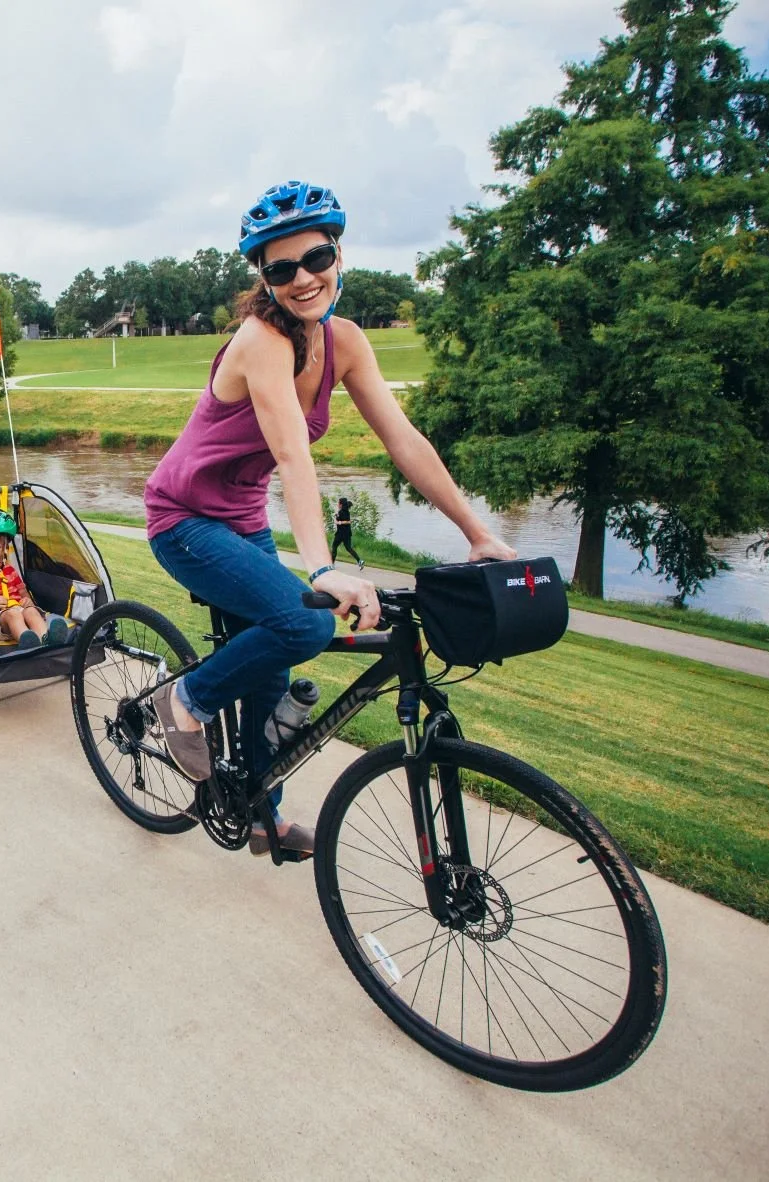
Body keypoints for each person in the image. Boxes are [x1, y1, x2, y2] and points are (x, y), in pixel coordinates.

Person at [141, 181, 515, 855]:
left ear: (337, 254)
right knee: (304, 621)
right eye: (280, 269)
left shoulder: (344, 341)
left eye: (314, 259)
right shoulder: (260, 341)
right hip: (183, 518)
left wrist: (477, 532)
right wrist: (320, 567)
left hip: (240, 515)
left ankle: (261, 817)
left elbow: (403, 441)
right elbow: (291, 455)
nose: (302, 279)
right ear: (263, 278)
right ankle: (185, 703)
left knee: (270, 671)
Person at [0, 507, 70, 650]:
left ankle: (45, 638)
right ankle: (27, 641)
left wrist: (27, 601)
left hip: (18, 609)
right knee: (13, 614)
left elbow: (23, 592)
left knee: (31, 611)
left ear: (4, 549)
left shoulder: (8, 570)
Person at [330, 494, 364, 568]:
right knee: (349, 548)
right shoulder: (347, 512)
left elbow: (337, 522)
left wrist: (335, 517)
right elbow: (347, 521)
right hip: (347, 534)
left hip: (340, 534)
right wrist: (340, 518)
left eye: (338, 503)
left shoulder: (341, 512)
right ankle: (359, 561)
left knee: (334, 546)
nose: (337, 504)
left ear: (341, 504)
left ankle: (332, 564)